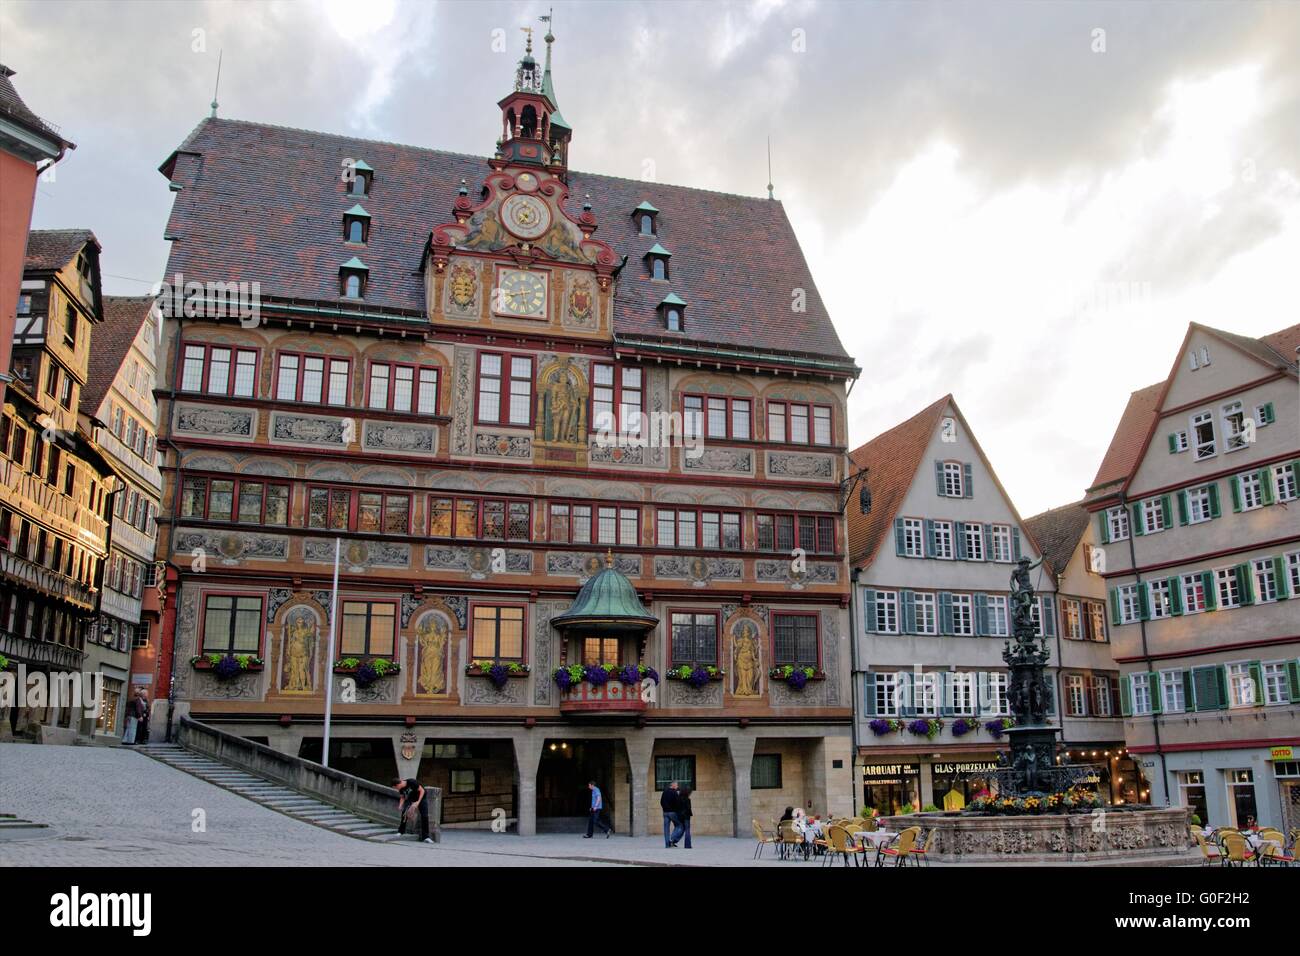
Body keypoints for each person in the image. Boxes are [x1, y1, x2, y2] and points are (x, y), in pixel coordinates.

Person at [395, 776, 433, 843]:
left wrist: (418, 802)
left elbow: (422, 790)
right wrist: (400, 805)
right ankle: (401, 831)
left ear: (398, 784)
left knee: (424, 816)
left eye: (396, 787)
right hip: (411, 799)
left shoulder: (411, 782)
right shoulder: (401, 789)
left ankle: (426, 837)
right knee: (404, 813)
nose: (396, 789)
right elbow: (402, 797)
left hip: (421, 798)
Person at [661, 780, 684, 847]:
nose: (677, 786)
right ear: (673, 785)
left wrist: (665, 809)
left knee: (666, 829)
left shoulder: (664, 792)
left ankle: (667, 844)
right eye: (676, 785)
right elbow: (678, 803)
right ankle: (673, 839)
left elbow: (661, 802)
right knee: (680, 825)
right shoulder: (674, 792)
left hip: (665, 812)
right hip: (673, 812)